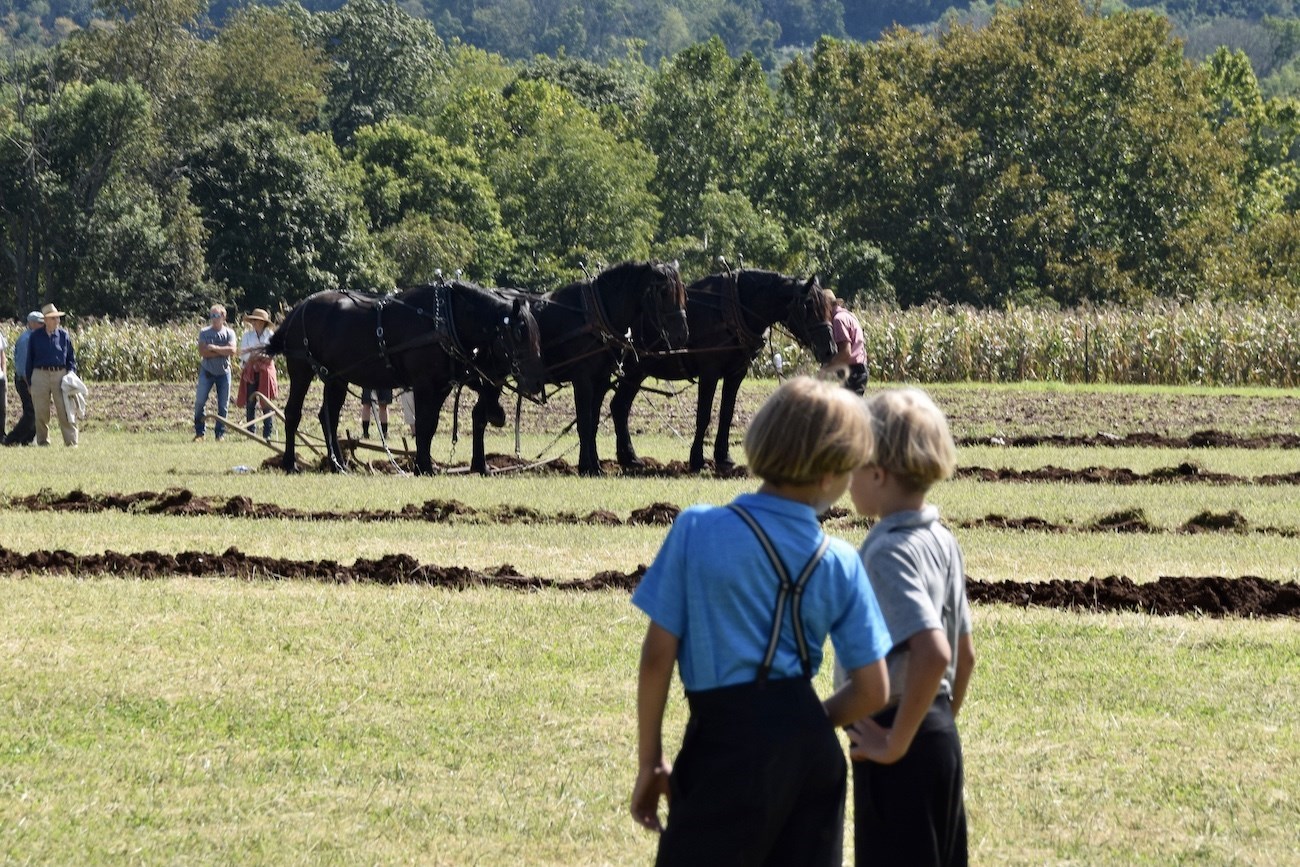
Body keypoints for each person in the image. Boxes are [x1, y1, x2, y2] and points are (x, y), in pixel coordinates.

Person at [630, 375, 893, 866]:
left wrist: (651, 762)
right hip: (812, 755)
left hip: (722, 746)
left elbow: (656, 659)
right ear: (826, 476)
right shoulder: (839, 559)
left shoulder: (696, 528)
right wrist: (808, 724)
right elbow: (873, 689)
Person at [839, 387, 976, 867]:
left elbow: (933, 652)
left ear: (877, 474)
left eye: (851, 464)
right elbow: (965, 656)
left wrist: (898, 741)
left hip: (897, 737)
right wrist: (936, 726)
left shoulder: (888, 552)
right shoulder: (942, 540)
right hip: (936, 734)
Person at [24, 303, 78, 447]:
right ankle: (43, 441)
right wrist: (29, 381)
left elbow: (71, 358)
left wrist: (71, 372)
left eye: (58, 318)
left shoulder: (63, 335)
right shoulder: (35, 337)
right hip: (39, 374)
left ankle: (71, 441)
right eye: (53, 318)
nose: (57, 321)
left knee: (65, 409)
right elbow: (29, 359)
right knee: (41, 410)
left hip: (60, 374)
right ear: (46, 320)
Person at [193, 304, 237, 442]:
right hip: (207, 372)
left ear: (223, 317)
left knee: (223, 406)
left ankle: (220, 434)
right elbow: (203, 352)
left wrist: (214, 348)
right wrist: (221, 351)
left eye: (217, 316)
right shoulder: (204, 332)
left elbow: (232, 351)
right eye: (212, 316)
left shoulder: (229, 333)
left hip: (224, 373)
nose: (214, 319)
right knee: (200, 402)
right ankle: (200, 433)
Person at [235, 308, 278, 440]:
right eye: (253, 320)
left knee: (266, 403)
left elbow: (271, 354)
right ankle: (250, 433)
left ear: (263, 322)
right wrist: (256, 354)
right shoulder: (247, 336)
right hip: (251, 370)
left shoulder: (271, 336)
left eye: (257, 321)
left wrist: (256, 354)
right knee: (250, 402)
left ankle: (267, 434)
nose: (255, 323)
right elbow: (244, 354)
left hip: (265, 371)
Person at [4, 312, 41, 445]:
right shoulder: (26, 340)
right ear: (31, 323)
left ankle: (28, 439)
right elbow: (22, 366)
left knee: (34, 410)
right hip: (24, 380)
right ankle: (12, 439)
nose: (43, 325)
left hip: (31, 379)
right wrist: (29, 384)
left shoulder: (34, 337)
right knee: (31, 411)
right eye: (40, 322)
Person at [822, 290, 868, 396]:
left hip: (852, 372)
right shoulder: (849, 315)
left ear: (827, 306)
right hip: (859, 369)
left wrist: (826, 368)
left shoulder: (838, 320)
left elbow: (845, 352)